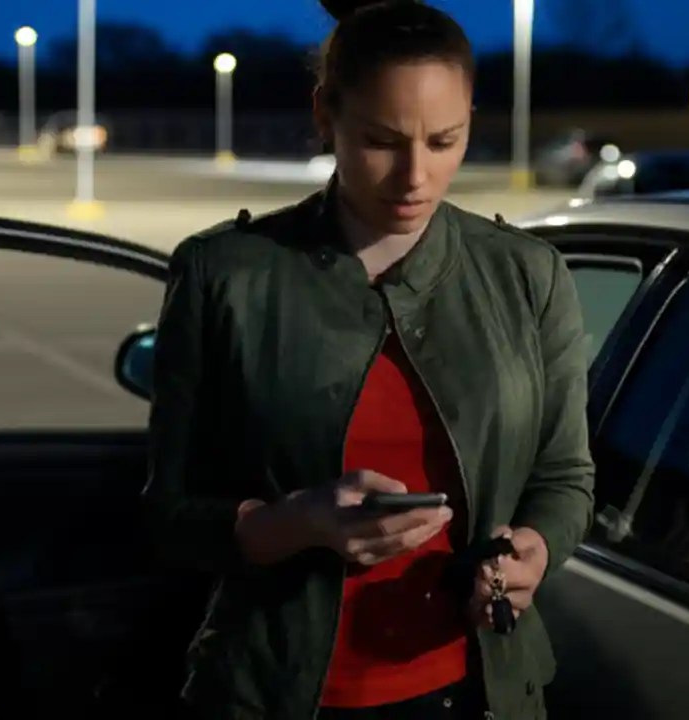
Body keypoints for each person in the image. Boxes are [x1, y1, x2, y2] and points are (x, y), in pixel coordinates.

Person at [142, 1, 595, 718]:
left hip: (476, 693)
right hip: (273, 694)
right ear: (325, 114)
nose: (416, 175)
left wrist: (535, 548)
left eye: (445, 140)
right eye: (382, 141)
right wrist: (298, 521)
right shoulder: (223, 275)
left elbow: (565, 476)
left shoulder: (528, 274)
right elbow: (168, 515)